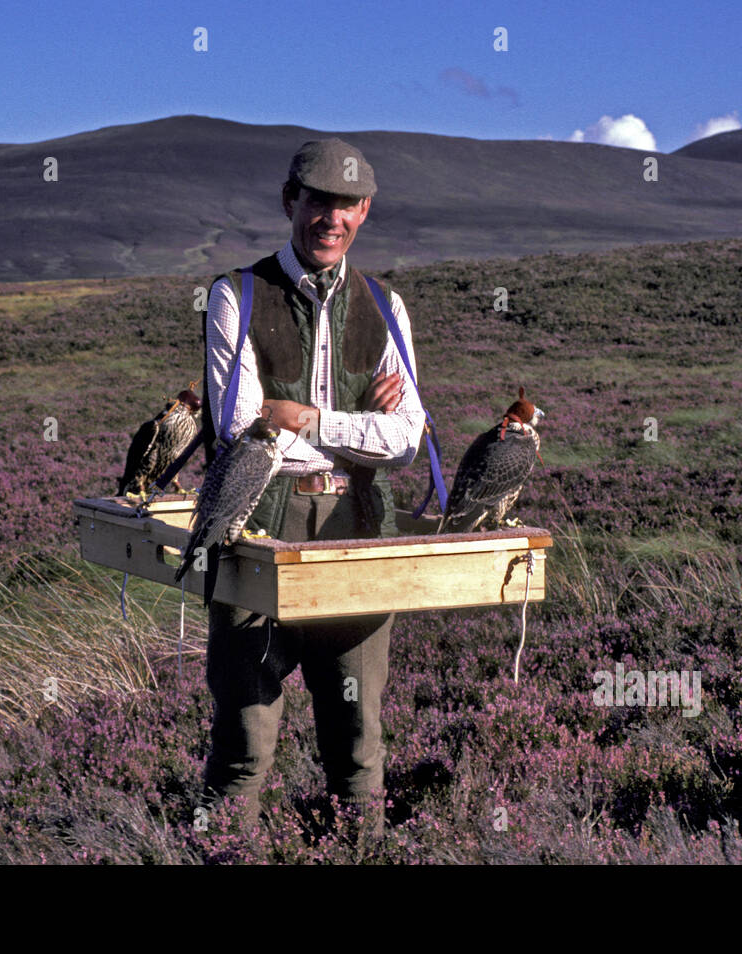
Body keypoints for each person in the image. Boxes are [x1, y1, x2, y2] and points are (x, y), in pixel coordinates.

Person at [198, 138, 426, 838]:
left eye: (348, 205)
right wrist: (363, 428)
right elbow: (244, 435)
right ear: (289, 201)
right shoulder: (234, 296)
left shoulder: (386, 306)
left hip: (358, 532)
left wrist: (309, 419)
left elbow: (410, 438)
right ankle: (221, 852)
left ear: (365, 212)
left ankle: (362, 854)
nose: (332, 218)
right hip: (257, 530)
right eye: (318, 201)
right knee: (244, 745)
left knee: (359, 748)